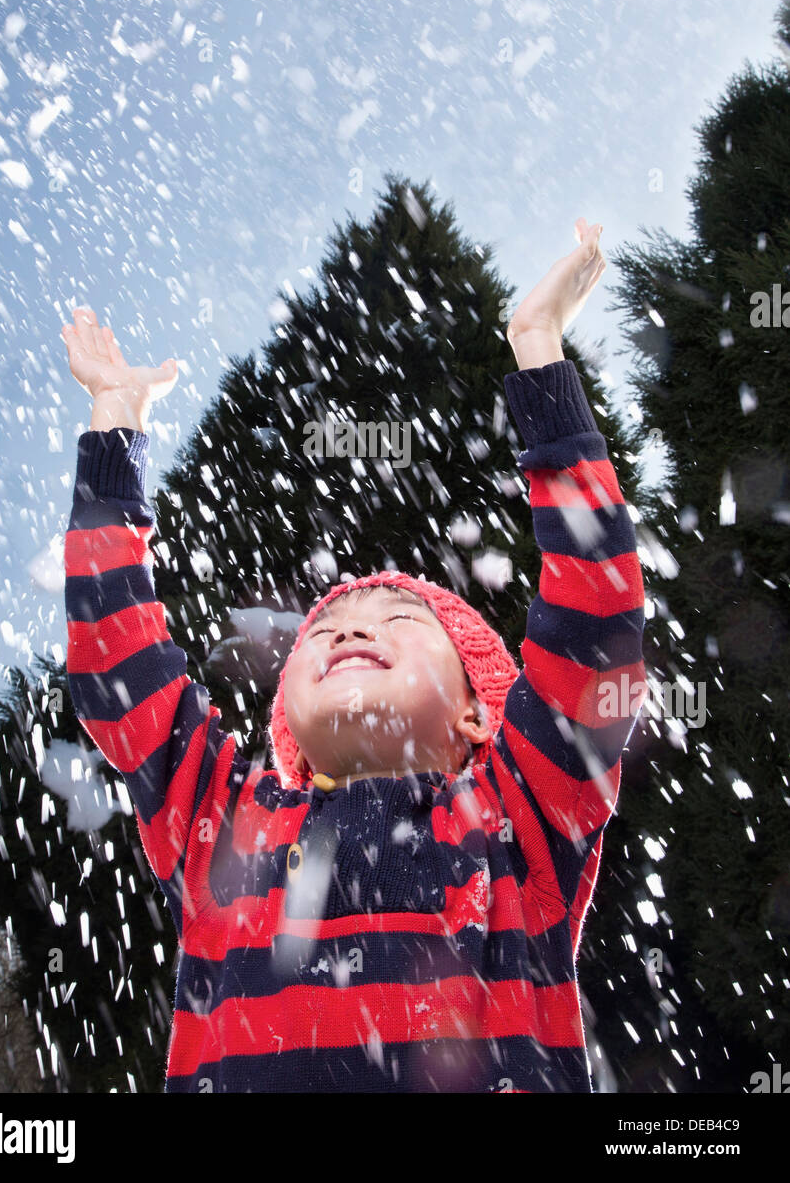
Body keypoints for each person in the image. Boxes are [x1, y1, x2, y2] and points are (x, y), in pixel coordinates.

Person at [61, 217, 645, 1092]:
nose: (345, 627)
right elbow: (117, 661)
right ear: (286, 716)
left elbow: (594, 614)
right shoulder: (224, 820)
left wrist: (539, 351)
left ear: (478, 710)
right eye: (324, 628)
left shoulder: (520, 812)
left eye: (398, 618)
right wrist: (115, 431)